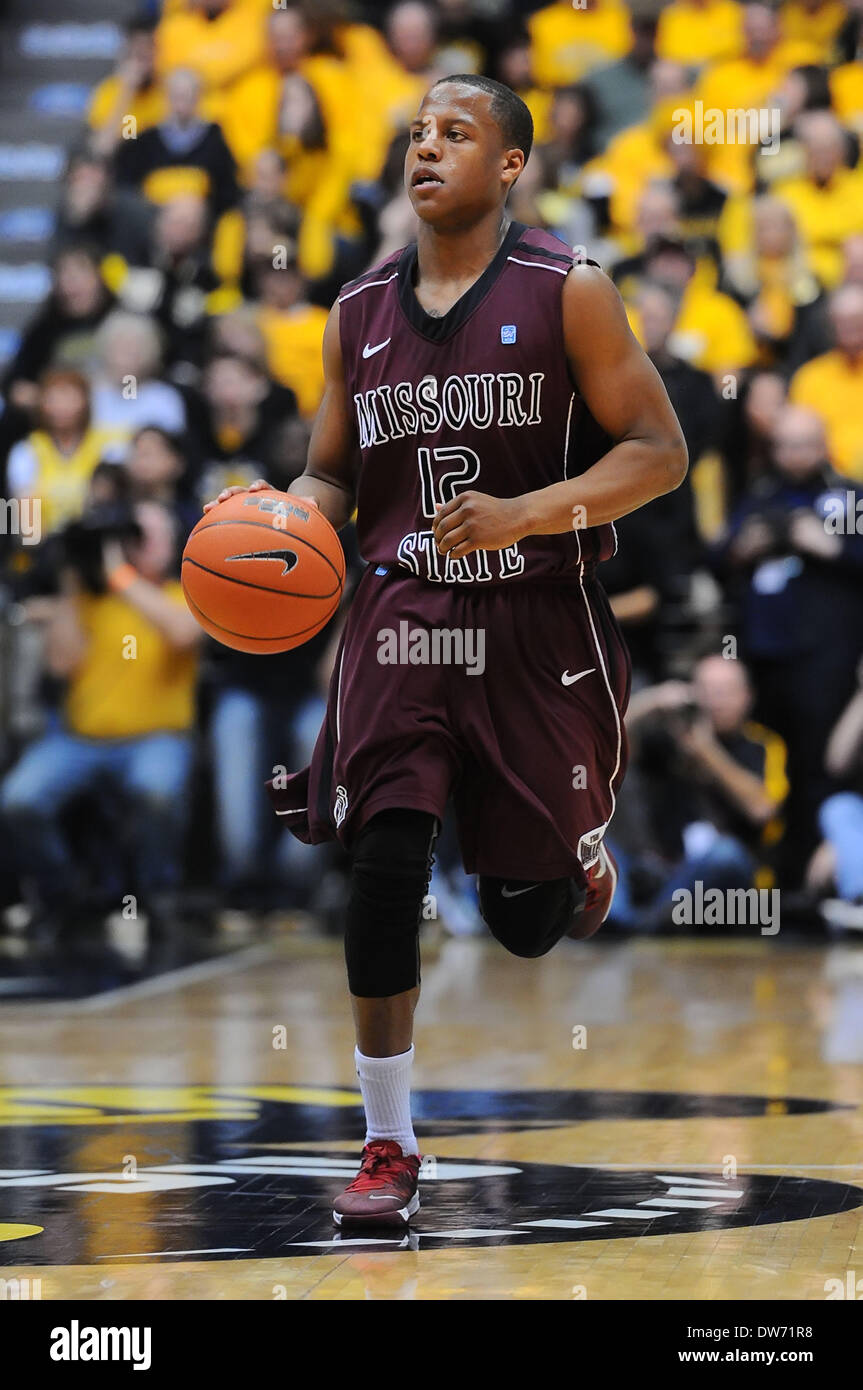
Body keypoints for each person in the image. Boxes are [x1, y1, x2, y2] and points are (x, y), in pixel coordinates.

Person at [206, 74, 687, 1226]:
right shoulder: (354, 312)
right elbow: (332, 472)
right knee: (381, 864)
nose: (426, 149)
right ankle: (386, 1143)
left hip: (534, 621)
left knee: (524, 920)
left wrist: (529, 511)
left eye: (456, 134)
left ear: (510, 163)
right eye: (416, 133)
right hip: (403, 615)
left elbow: (658, 449)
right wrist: (280, 517)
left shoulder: (568, 291)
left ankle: (571, 862)